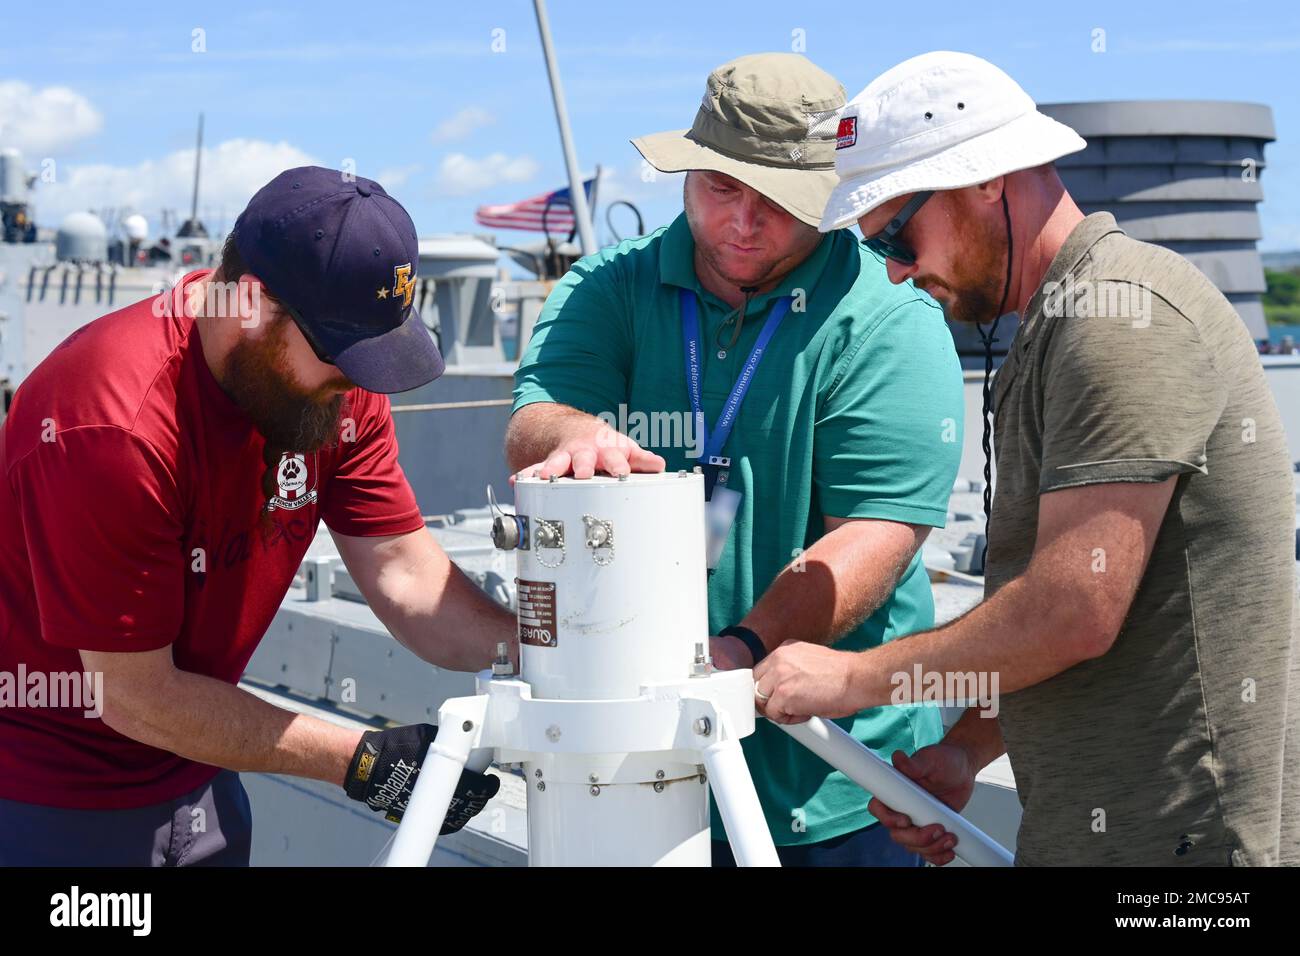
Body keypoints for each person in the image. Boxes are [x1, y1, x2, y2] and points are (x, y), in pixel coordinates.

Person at [754, 52, 1299, 866]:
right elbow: (1085, 625)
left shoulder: (1121, 321)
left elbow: (1072, 609)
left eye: (899, 234)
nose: (899, 272)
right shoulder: (1060, 330)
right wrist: (968, 750)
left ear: (985, 180)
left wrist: (852, 679)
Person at [506, 54, 964, 866]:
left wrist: (743, 651)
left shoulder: (889, 317)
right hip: (644, 773)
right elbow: (537, 414)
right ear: (688, 172)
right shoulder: (610, 285)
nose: (744, 222)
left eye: (779, 202)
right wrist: (574, 435)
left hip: (840, 784)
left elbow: (877, 535)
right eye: (721, 188)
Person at [0, 167, 514, 865]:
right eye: (340, 355)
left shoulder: (331, 387)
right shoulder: (113, 427)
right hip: (53, 805)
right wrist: (361, 760)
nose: (358, 383)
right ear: (248, 305)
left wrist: (556, 653)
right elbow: (134, 697)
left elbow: (403, 572)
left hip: (200, 771)